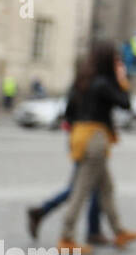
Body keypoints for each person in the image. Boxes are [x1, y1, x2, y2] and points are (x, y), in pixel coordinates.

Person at [55, 42, 136, 254]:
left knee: (106, 188)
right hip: (95, 137)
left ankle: (118, 230)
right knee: (82, 188)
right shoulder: (103, 83)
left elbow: (69, 111)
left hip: (80, 135)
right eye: (115, 60)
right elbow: (125, 104)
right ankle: (66, 237)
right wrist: (122, 80)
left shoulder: (83, 80)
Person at [27, 68, 104, 244]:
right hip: (89, 144)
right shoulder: (96, 90)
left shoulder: (76, 88)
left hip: (78, 141)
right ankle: (44, 213)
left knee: (93, 187)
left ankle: (93, 230)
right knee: (79, 187)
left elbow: (68, 117)